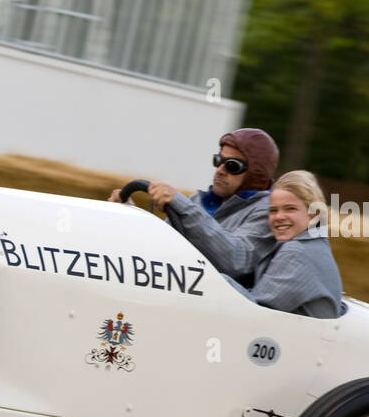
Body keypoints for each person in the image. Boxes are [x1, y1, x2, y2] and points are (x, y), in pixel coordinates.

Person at [111, 128, 280, 284]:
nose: (220, 170)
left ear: (255, 174)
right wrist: (130, 216)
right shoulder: (199, 201)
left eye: (232, 166)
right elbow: (159, 244)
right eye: (218, 160)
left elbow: (237, 261)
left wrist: (182, 205)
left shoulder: (269, 211)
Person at [222, 170, 343, 319]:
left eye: (290, 208)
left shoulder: (298, 252)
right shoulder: (316, 245)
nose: (279, 217)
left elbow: (255, 311)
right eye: (273, 210)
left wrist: (214, 280)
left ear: (313, 213)